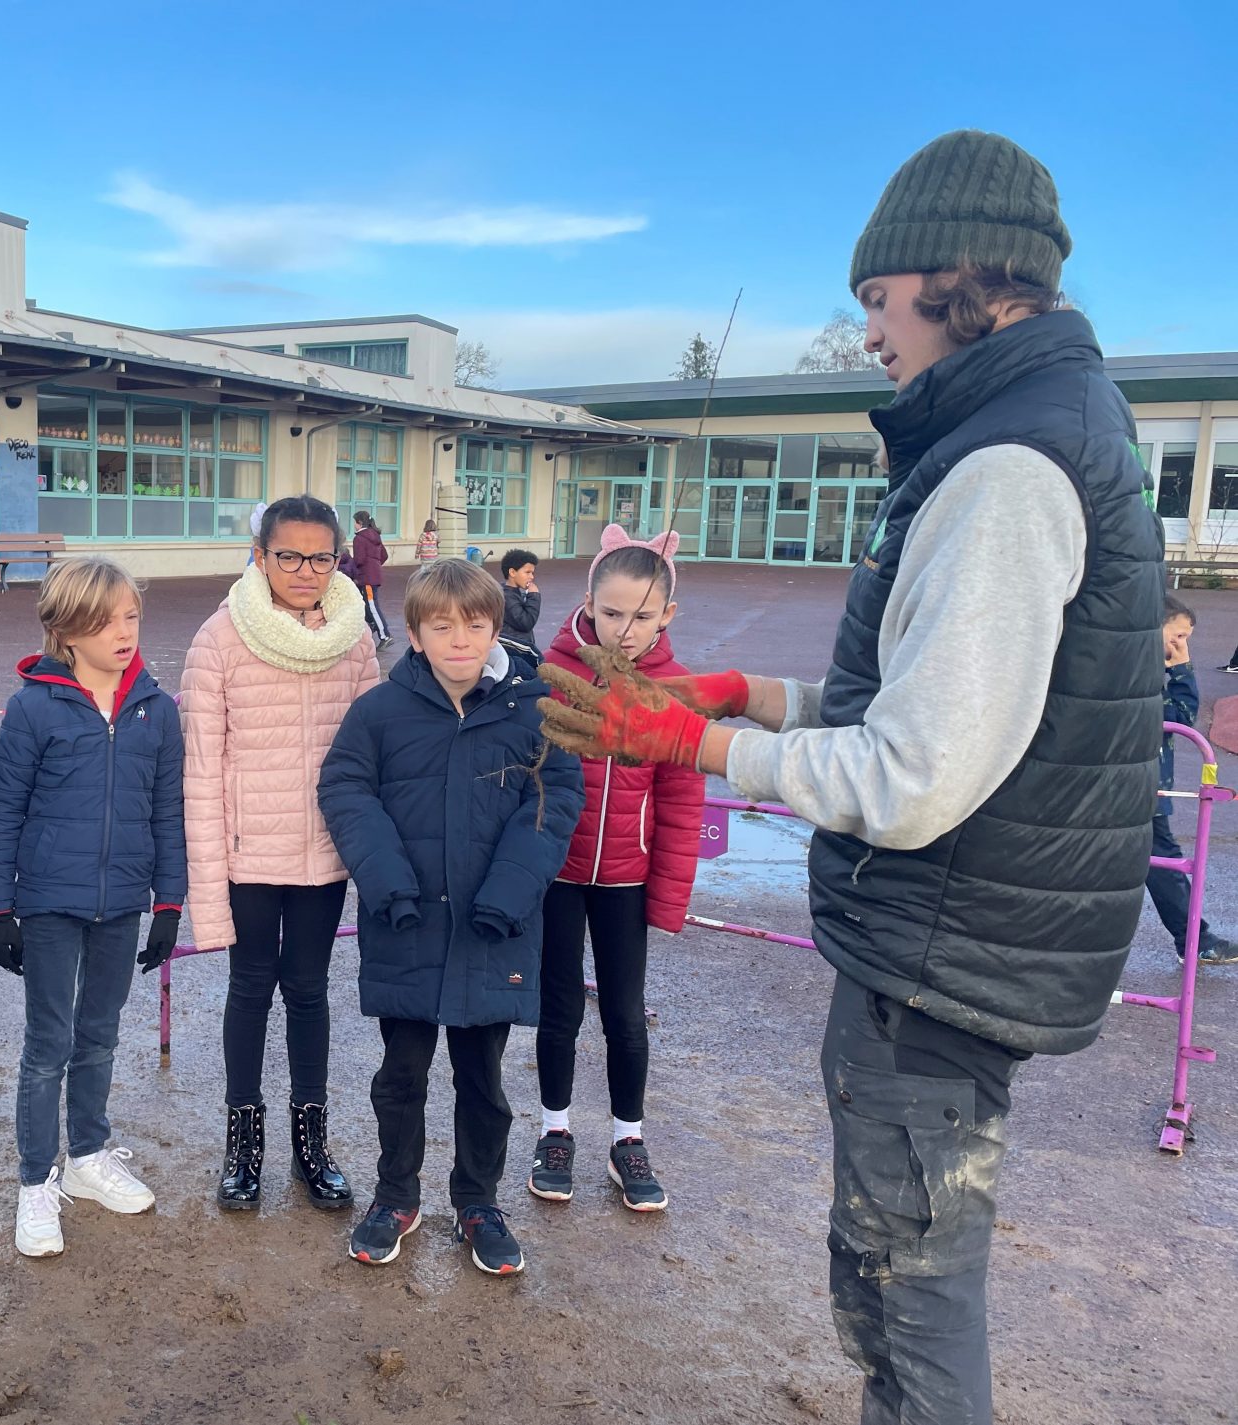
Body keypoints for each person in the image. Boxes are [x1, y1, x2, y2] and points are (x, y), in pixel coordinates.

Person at [540, 131, 1164, 1424]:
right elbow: (958, 706)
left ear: (960, 277)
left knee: (910, 1287)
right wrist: (748, 696)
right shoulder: (1036, 426)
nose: (868, 332)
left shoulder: (1005, 469)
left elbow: (920, 772)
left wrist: (690, 744)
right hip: (966, 936)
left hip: (947, 952)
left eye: (876, 301)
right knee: (898, 1271)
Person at [319, 559, 583, 1276]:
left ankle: (478, 1200)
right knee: (401, 1072)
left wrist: (508, 893)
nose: (459, 638)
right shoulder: (380, 710)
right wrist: (388, 884)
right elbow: (344, 787)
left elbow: (555, 800)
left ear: (495, 626)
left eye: (474, 623)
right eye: (441, 625)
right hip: (404, 921)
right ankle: (395, 1195)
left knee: (483, 1078)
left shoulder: (535, 709)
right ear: (415, 631)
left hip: (493, 927)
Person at [0, 556, 186, 1257]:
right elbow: (2, 808)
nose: (123, 631)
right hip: (47, 902)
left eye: (131, 615)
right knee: (49, 1045)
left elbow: (167, 807)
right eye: (105, 620)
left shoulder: (156, 709)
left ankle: (88, 1156)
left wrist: (169, 901)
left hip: (122, 900)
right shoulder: (32, 706)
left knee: (100, 1032)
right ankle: (36, 1181)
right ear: (65, 630)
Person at [181, 494, 380, 1211]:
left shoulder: (355, 637)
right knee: (248, 987)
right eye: (288, 555)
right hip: (248, 857)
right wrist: (207, 878)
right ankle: (242, 1143)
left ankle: (311, 1141)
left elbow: (374, 754)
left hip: (324, 853)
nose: (304, 570)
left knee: (309, 990)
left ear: (338, 560)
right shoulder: (219, 638)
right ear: (260, 555)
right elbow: (201, 771)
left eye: (320, 557)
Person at [530, 527, 704, 1213]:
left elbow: (684, 799)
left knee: (626, 1016)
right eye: (611, 613)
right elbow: (529, 775)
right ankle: (555, 1129)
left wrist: (668, 897)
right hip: (559, 876)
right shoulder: (555, 667)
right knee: (559, 1009)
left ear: (667, 614)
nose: (623, 630)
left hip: (627, 882)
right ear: (589, 603)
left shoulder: (675, 689)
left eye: (640, 615)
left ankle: (627, 1138)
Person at [1148, 596, 1236, 963]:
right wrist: (1183, 669)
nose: (1181, 646)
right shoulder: (1142, 675)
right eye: (1178, 636)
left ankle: (1194, 938)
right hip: (1138, 789)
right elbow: (1181, 718)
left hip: (1142, 789)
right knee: (1160, 862)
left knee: (1159, 861)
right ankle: (1194, 939)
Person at [351, 510, 392, 648]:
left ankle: (385, 635)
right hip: (374, 575)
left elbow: (359, 559)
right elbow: (384, 555)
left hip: (367, 577)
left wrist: (357, 570)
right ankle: (373, 624)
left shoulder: (359, 538)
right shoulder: (375, 536)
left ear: (360, 523)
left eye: (354, 522)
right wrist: (374, 566)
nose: (354, 525)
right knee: (367, 604)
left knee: (372, 606)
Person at [497, 548, 542, 667]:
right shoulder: (506, 597)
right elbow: (526, 622)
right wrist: (534, 596)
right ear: (512, 572)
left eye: (532, 573)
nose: (531, 577)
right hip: (515, 652)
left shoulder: (513, 593)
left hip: (517, 649)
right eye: (527, 572)